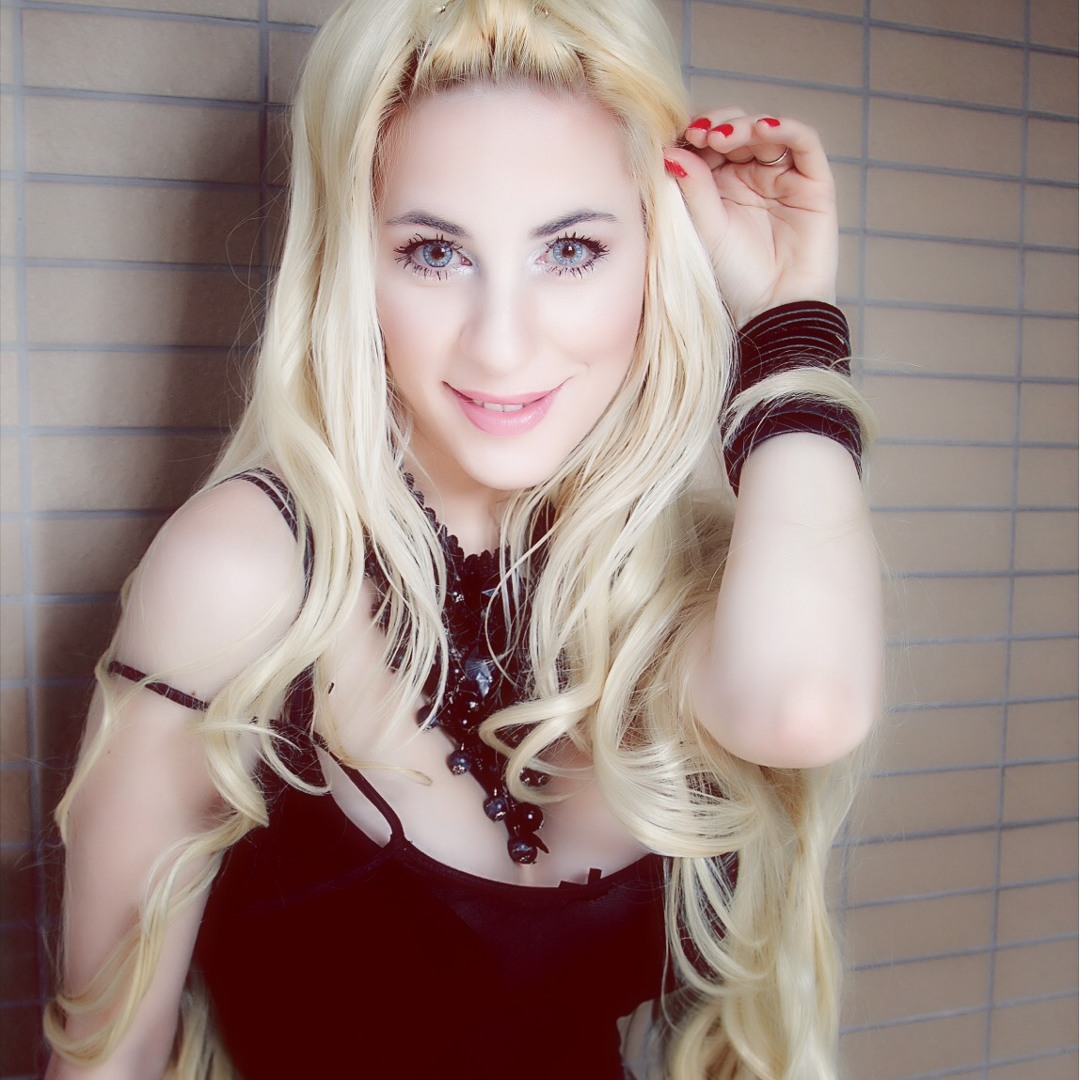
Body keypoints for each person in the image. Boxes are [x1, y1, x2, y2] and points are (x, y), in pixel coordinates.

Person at [44, 0, 882, 1077]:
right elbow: (108, 1058)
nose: (500, 345)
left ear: (653, 254)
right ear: (354, 267)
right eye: (435, 253)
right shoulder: (245, 573)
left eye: (571, 249)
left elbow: (803, 707)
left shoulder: (669, 577)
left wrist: (787, 322)